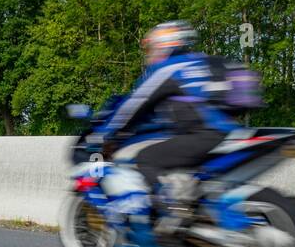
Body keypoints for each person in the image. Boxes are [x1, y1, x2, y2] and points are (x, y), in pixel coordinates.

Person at [91, 21, 236, 234]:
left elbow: (134, 106)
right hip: (228, 132)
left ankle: (172, 214)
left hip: (203, 134)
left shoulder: (169, 68)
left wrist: (105, 134)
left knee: (147, 158)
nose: (150, 53)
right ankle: (195, 217)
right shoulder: (201, 63)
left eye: (152, 47)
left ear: (164, 43)